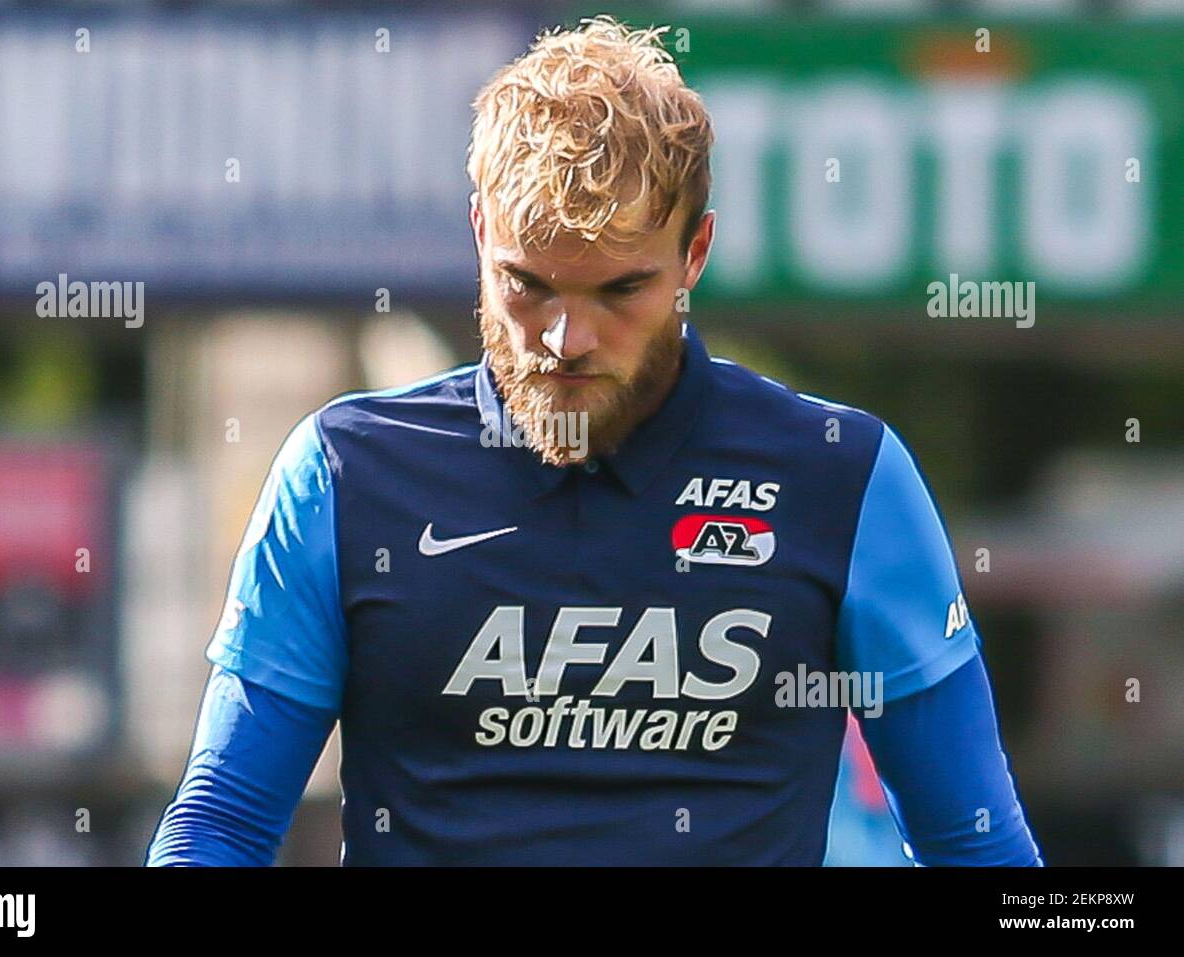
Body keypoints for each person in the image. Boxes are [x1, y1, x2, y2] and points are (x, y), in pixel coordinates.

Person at [147, 16, 1041, 866]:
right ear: (478, 235)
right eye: (527, 285)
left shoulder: (845, 478)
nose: (566, 338)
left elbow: (978, 846)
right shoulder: (344, 476)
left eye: (619, 291)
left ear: (695, 256)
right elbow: (221, 820)